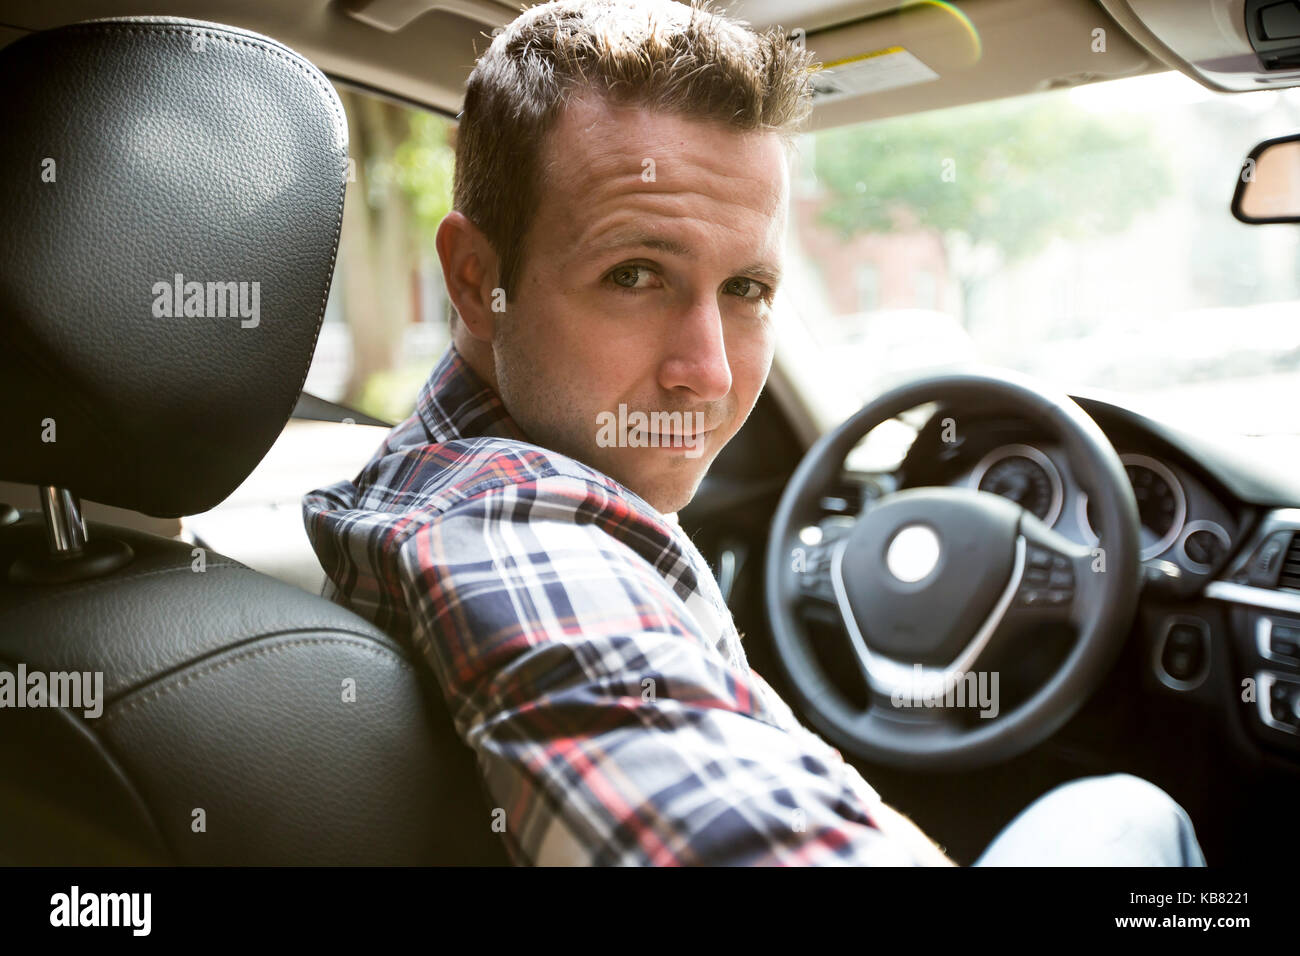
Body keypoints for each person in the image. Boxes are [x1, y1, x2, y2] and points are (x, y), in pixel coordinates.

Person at [302, 0, 1204, 866]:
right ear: (474, 279)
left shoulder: (425, 474)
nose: (712, 371)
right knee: (1131, 813)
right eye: (635, 274)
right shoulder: (508, 519)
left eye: (747, 290)